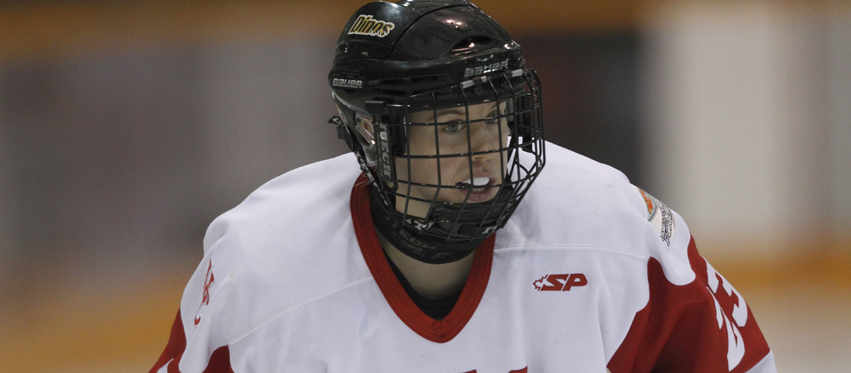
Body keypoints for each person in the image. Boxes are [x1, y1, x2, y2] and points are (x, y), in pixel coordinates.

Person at [151, 1, 777, 372]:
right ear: (372, 136)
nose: (485, 158)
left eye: (497, 122)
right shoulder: (263, 267)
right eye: (451, 128)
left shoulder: (610, 229)